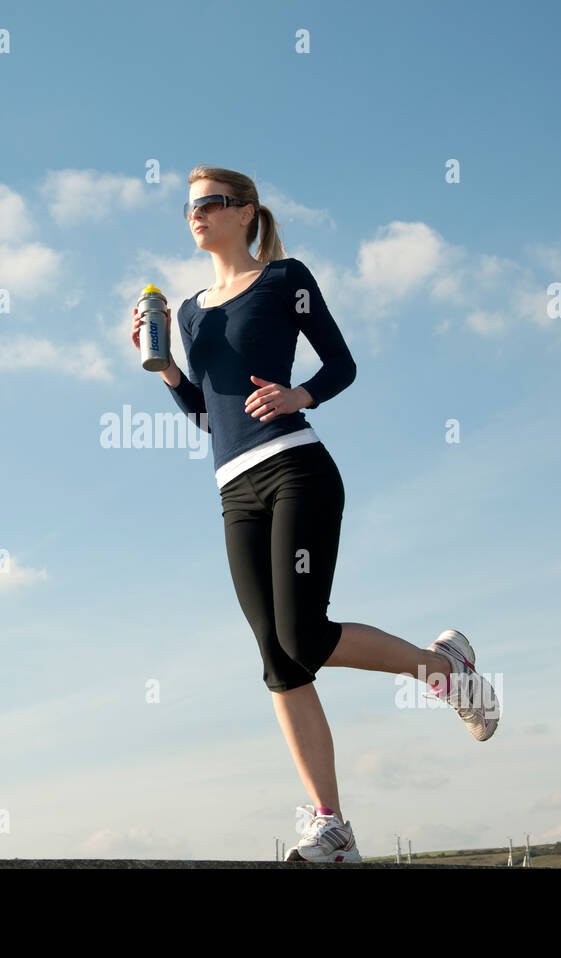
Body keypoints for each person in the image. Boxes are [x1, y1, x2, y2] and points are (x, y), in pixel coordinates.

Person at [130, 165, 500, 863]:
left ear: (245, 213)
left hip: (297, 469)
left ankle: (440, 668)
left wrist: (301, 394)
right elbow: (211, 417)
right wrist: (171, 374)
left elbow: (342, 363)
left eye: (209, 203)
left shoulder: (284, 279)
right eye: (188, 209)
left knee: (302, 634)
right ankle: (332, 826)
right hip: (233, 489)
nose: (195, 216)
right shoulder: (190, 311)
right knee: (279, 660)